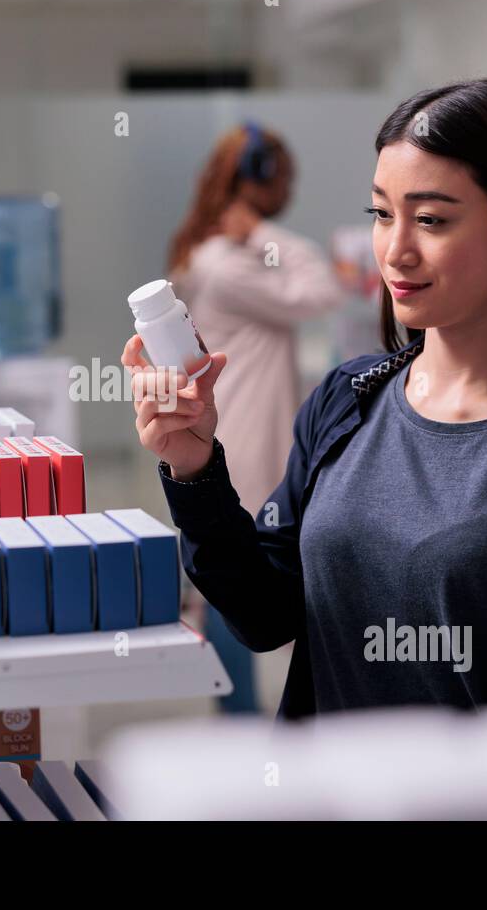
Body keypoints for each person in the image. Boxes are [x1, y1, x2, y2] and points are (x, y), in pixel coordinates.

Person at [124, 79, 487, 718]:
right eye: (383, 213)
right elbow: (264, 613)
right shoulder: (346, 402)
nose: (395, 250)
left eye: (432, 219)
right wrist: (195, 470)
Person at [165, 122, 346, 713]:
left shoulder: (221, 252)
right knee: (231, 582)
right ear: (257, 180)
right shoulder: (228, 262)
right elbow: (319, 290)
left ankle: (237, 713)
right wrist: (267, 232)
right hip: (240, 435)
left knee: (228, 576)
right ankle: (239, 718)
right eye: (283, 177)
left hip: (239, 426)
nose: (289, 188)